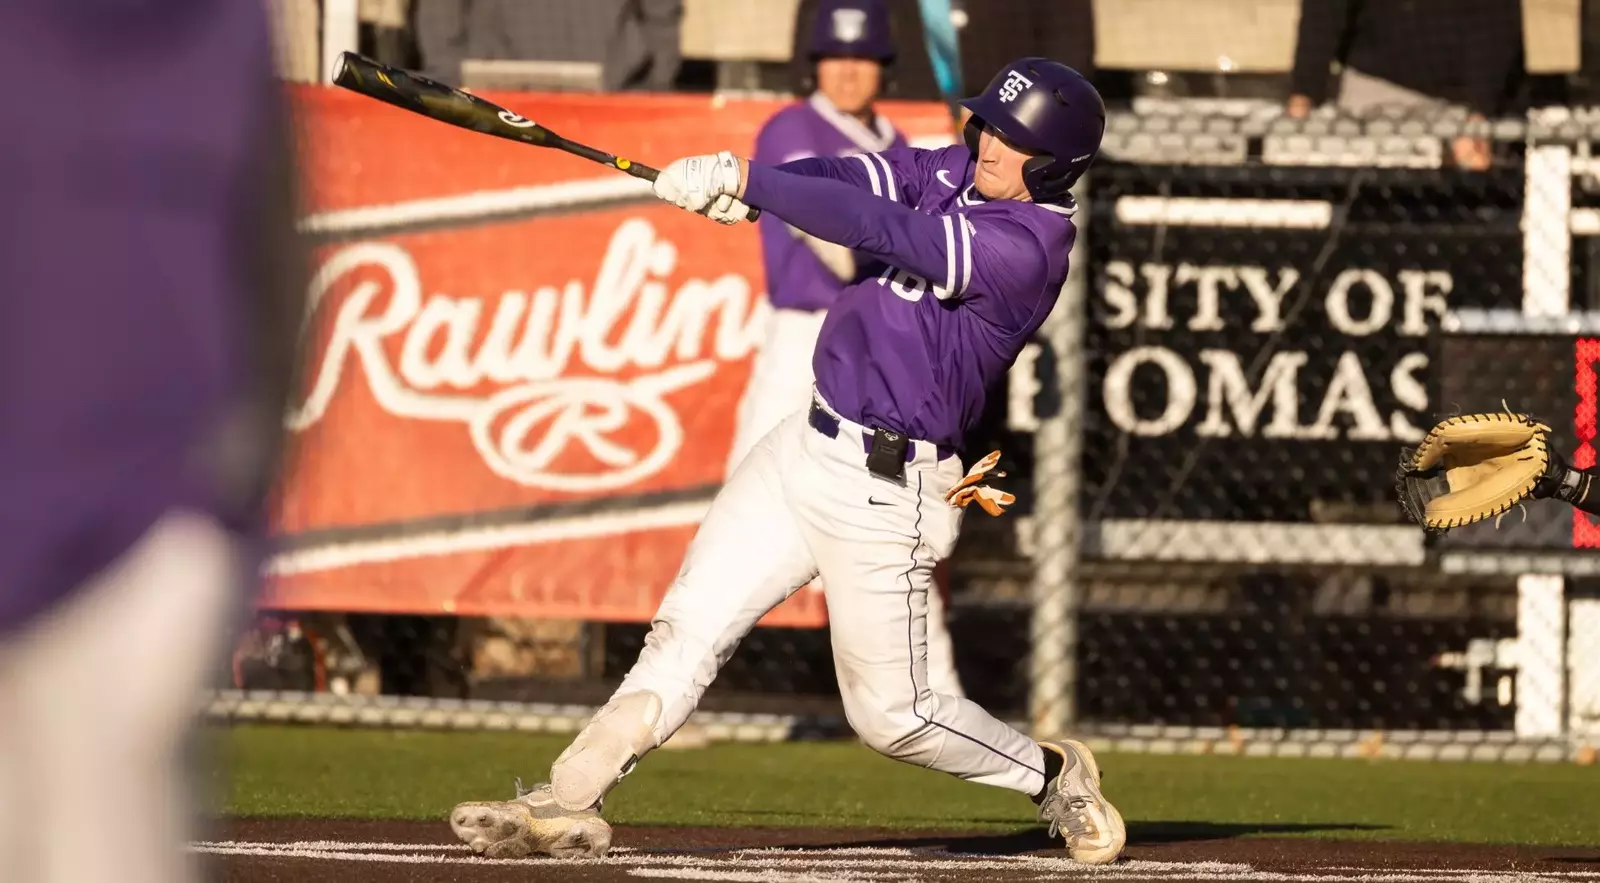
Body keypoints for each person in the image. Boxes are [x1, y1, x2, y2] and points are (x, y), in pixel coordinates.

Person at [449, 57, 1125, 866]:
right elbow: (857, 175)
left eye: (1014, 140)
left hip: (890, 486)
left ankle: (1052, 775)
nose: (988, 144)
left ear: (1056, 163)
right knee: (686, 628)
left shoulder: (1030, 245)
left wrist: (749, 178)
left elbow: (884, 229)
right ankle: (568, 798)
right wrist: (756, 190)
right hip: (802, 442)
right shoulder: (957, 167)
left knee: (893, 717)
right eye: (988, 125)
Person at [0, 1, 306, 882]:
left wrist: (227, 503)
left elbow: (273, 263)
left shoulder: (225, 28)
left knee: (104, 848)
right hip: (113, 497)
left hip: (145, 522)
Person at [735, 0, 966, 701]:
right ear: (815, 62)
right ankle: (685, 681)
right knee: (745, 530)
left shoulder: (894, 139)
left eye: (862, 58)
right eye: (835, 57)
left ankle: (940, 695)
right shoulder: (791, 129)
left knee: (894, 534)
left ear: (883, 67)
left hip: (879, 349)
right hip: (803, 337)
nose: (847, 71)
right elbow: (840, 254)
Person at [1286, 0, 1525, 171]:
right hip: (1377, 97)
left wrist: (1479, 113)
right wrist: (1303, 96)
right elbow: (1323, 14)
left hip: (1463, 107)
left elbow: (1497, 22)